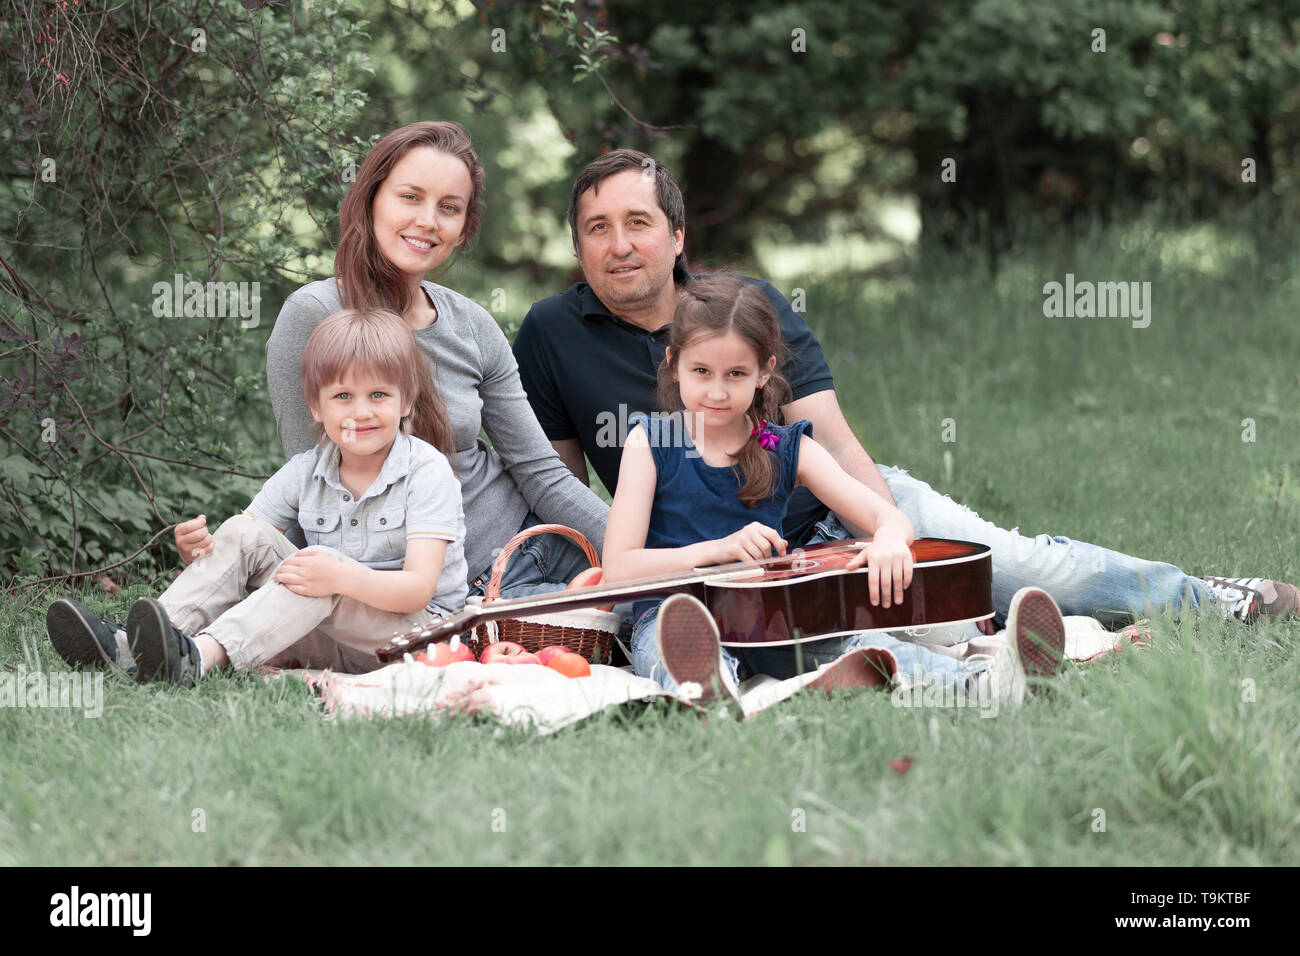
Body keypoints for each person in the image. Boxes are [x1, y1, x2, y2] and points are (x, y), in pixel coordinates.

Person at [514, 148, 1298, 643]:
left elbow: (834, 444)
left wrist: (887, 531)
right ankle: (990, 649)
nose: (618, 245)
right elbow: (558, 486)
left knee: (1024, 568)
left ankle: (1215, 597)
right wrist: (631, 570)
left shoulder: (744, 309)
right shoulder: (551, 332)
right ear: (577, 243)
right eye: (596, 228)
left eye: (638, 222)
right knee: (881, 640)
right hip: (702, 565)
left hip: (833, 514)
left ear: (677, 236)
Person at [601, 276, 1065, 708]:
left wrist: (887, 540)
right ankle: (707, 695)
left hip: (767, 618)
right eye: (701, 371)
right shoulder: (650, 442)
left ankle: (986, 684)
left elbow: (889, 518)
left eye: (736, 375)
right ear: (674, 365)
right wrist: (716, 551)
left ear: (764, 372)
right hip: (670, 614)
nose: (717, 392)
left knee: (864, 646)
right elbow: (619, 566)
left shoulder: (784, 448)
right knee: (675, 649)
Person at [265, 121, 606, 603]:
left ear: (464, 226)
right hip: (427, 587)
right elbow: (310, 482)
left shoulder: (472, 324)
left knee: (673, 598)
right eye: (410, 197)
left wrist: (642, 549)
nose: (428, 220)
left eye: (449, 208)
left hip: (529, 545)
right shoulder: (315, 316)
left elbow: (539, 471)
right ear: (371, 199)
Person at [46, 309, 468, 684]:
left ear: (406, 401)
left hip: (414, 643)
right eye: (343, 396)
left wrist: (341, 577)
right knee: (244, 532)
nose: (360, 412)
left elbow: (417, 589)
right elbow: (245, 545)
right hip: (330, 639)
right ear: (316, 407)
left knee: (320, 569)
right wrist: (201, 550)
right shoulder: (307, 470)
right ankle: (134, 645)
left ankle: (197, 658)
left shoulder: (426, 472)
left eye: (378, 395)